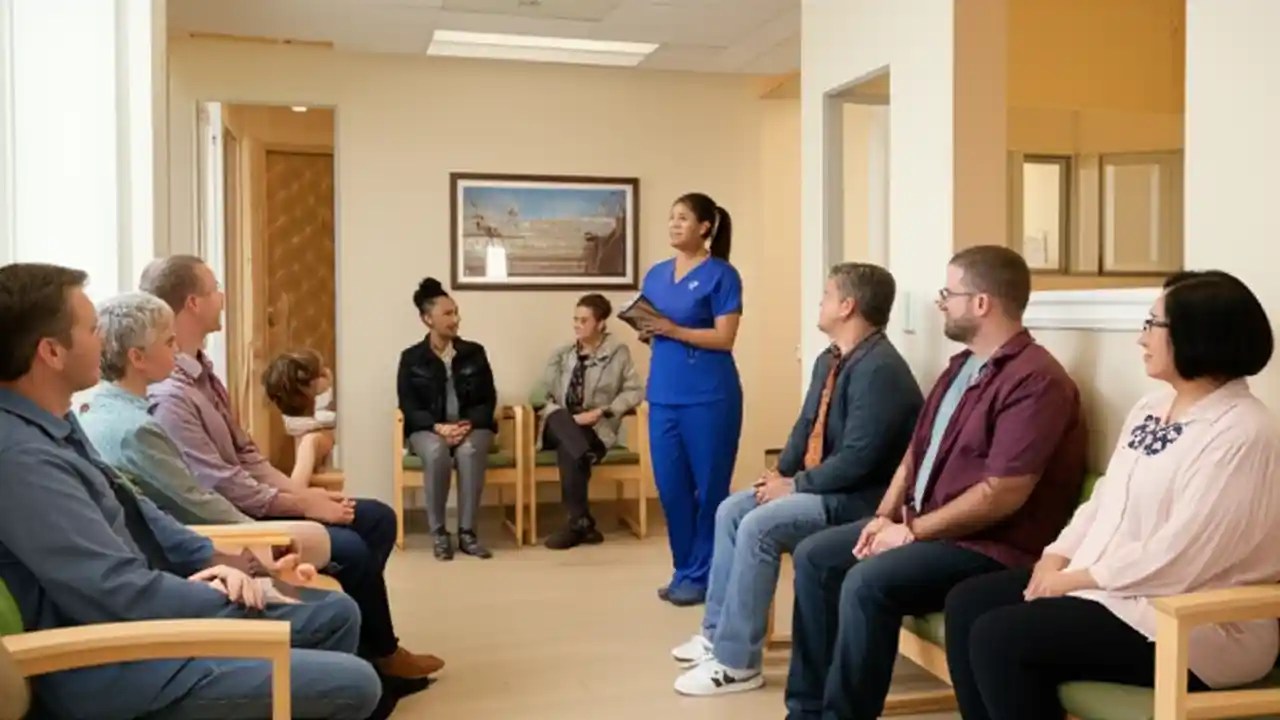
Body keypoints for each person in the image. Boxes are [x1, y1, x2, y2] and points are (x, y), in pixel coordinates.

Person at [0, 262, 381, 720]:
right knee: (354, 681)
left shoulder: (56, 420)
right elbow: (114, 593)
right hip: (111, 664)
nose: (103, 340)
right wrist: (223, 593)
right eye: (91, 328)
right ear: (51, 352)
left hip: (146, 614)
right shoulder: (22, 459)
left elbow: (141, 513)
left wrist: (226, 564)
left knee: (337, 613)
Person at [944, 270, 1280, 720]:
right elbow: (1103, 501)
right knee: (967, 603)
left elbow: (1182, 554)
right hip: (1119, 593)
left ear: (1197, 334)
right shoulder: (1151, 408)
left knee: (999, 637)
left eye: (1151, 325)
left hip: (1196, 623)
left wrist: (1078, 580)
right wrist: (1055, 556)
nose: (1141, 339)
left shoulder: (1243, 432)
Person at [784, 245, 1089, 720]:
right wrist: (883, 516)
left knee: (868, 582)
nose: (941, 303)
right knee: (817, 556)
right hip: (927, 528)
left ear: (982, 303)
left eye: (950, 293)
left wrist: (912, 532)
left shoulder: (1037, 381)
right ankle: (805, 710)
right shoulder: (959, 368)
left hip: (988, 546)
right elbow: (914, 453)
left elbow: (1002, 492)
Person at [139, 255, 442, 693]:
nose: (223, 296)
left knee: (376, 517)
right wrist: (302, 503)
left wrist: (309, 500)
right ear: (192, 303)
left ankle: (368, 645)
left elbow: (247, 455)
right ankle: (371, 650)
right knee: (353, 549)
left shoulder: (203, 372)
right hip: (233, 518)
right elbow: (219, 484)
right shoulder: (170, 396)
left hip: (252, 500)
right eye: (216, 288)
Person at [670, 263, 924, 696]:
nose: (819, 303)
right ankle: (717, 634)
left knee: (760, 524)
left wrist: (794, 487)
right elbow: (805, 426)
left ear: (848, 306)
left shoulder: (881, 370)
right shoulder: (831, 359)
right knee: (734, 507)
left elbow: (859, 460)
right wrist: (780, 474)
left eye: (826, 295)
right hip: (824, 486)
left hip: (861, 500)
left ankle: (737, 664)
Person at [75, 292, 332, 569]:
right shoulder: (137, 429)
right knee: (329, 545)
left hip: (198, 538)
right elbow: (195, 504)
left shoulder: (104, 408)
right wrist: (264, 533)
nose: (176, 351)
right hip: (196, 552)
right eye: (169, 342)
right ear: (137, 358)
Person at [637, 192, 744, 607]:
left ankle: (704, 574)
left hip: (710, 397)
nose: (674, 224)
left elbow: (725, 337)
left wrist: (672, 329)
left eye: (683, 218)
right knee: (671, 488)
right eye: (671, 218)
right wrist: (649, 330)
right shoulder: (656, 274)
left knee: (708, 489)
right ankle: (685, 569)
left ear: (705, 227)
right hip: (664, 394)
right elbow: (654, 331)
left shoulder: (722, 275)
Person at [397, 277, 498, 561]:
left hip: (471, 427)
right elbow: (408, 404)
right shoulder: (411, 358)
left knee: (469, 451)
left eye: (456, 312)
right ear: (428, 319)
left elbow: (487, 399)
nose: (456, 319)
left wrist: (466, 425)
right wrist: (436, 427)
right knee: (436, 451)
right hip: (428, 429)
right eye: (448, 314)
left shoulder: (474, 353)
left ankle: (468, 533)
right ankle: (439, 533)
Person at [532, 293, 643, 549]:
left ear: (601, 323)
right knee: (562, 420)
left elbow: (634, 391)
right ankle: (585, 456)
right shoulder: (562, 355)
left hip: (594, 429)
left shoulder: (618, 353)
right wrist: (566, 416)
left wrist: (602, 413)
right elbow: (537, 394)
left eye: (584, 320)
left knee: (570, 449)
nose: (577, 325)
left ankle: (579, 523)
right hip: (557, 425)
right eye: (575, 319)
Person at [262, 348, 338, 486]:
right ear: (309, 387)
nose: (328, 372)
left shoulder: (302, 429)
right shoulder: (312, 438)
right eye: (322, 372)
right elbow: (298, 484)